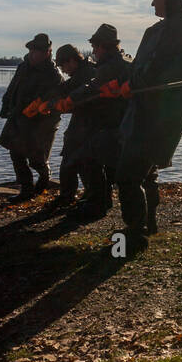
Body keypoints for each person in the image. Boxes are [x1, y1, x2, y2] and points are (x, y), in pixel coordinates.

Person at [108, 0, 182, 254]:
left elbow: (159, 70)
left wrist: (133, 85)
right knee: (143, 174)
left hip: (154, 118)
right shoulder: (163, 28)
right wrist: (122, 82)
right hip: (145, 114)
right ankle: (147, 225)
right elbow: (142, 66)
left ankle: (134, 236)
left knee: (127, 176)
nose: (152, 4)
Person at [60, 25, 131, 220]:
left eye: (95, 47)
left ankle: (97, 205)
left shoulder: (111, 66)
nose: (93, 51)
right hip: (116, 123)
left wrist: (70, 100)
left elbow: (92, 87)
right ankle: (99, 200)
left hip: (113, 124)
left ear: (103, 46)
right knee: (104, 165)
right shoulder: (121, 62)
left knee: (88, 158)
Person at [0, 33, 62, 202]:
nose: (33, 54)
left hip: (40, 122)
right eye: (32, 50)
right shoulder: (22, 67)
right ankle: (26, 189)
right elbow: (11, 90)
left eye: (37, 51)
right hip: (17, 118)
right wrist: (6, 106)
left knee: (36, 158)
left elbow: (55, 101)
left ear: (47, 53)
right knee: (15, 153)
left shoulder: (54, 74)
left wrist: (37, 109)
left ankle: (44, 175)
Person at [50, 43, 96, 209]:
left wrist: (54, 103)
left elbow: (68, 92)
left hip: (89, 123)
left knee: (74, 158)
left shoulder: (86, 73)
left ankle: (70, 195)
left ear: (71, 61)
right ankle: (81, 194)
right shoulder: (84, 71)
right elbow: (64, 90)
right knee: (77, 158)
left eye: (63, 66)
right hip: (83, 121)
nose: (63, 70)